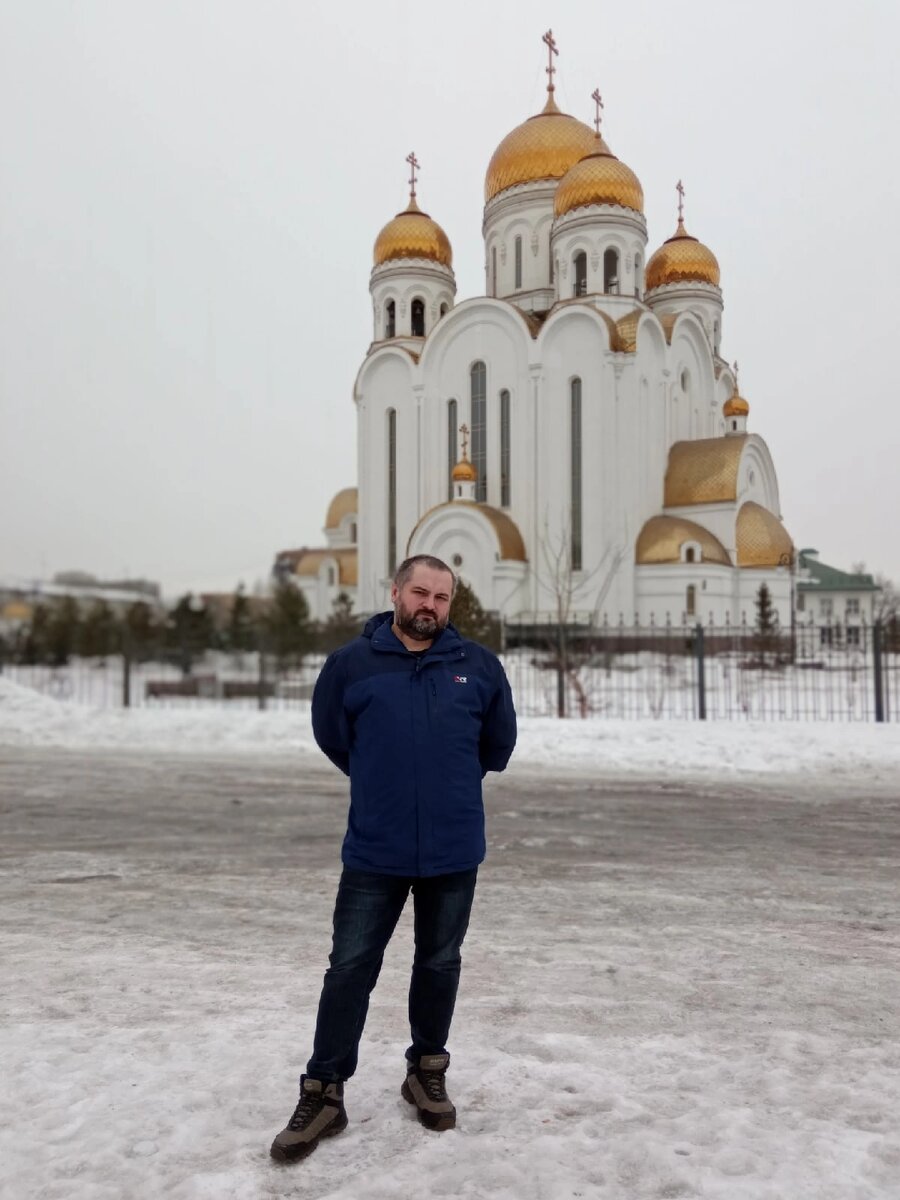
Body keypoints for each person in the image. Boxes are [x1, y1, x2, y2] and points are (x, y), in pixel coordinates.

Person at [270, 554, 517, 1162]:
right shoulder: (350, 666)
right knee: (350, 967)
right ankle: (324, 1091)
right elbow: (334, 737)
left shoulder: (479, 668)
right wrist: (387, 783)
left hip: (453, 849)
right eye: (419, 592)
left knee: (439, 963)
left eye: (441, 597)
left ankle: (425, 1071)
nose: (429, 605)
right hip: (375, 850)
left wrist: (439, 784)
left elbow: (497, 746)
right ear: (396, 593)